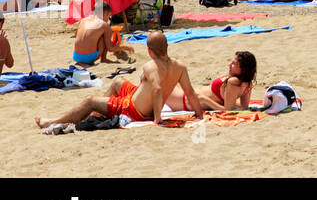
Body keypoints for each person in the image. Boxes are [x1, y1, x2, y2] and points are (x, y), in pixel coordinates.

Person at [36, 31, 203, 129]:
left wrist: (157, 119)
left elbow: (157, 89)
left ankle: (52, 122)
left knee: (90, 100)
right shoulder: (180, 66)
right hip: (137, 98)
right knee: (118, 81)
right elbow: (190, 92)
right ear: (166, 47)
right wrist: (199, 114)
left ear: (149, 50)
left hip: (133, 109)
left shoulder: (151, 66)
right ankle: (98, 112)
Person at [167, 51, 257, 112]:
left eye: (234, 64)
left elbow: (227, 110)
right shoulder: (247, 83)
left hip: (187, 101)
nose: (229, 65)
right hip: (188, 95)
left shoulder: (233, 82)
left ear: (243, 69)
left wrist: (206, 100)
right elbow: (243, 107)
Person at [72, 0, 135, 65]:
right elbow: (110, 48)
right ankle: (104, 59)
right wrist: (125, 47)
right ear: (105, 13)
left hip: (76, 56)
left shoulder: (83, 20)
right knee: (103, 37)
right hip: (88, 57)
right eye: (108, 16)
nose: (108, 20)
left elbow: (77, 35)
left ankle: (98, 57)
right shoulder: (104, 25)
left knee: (96, 35)